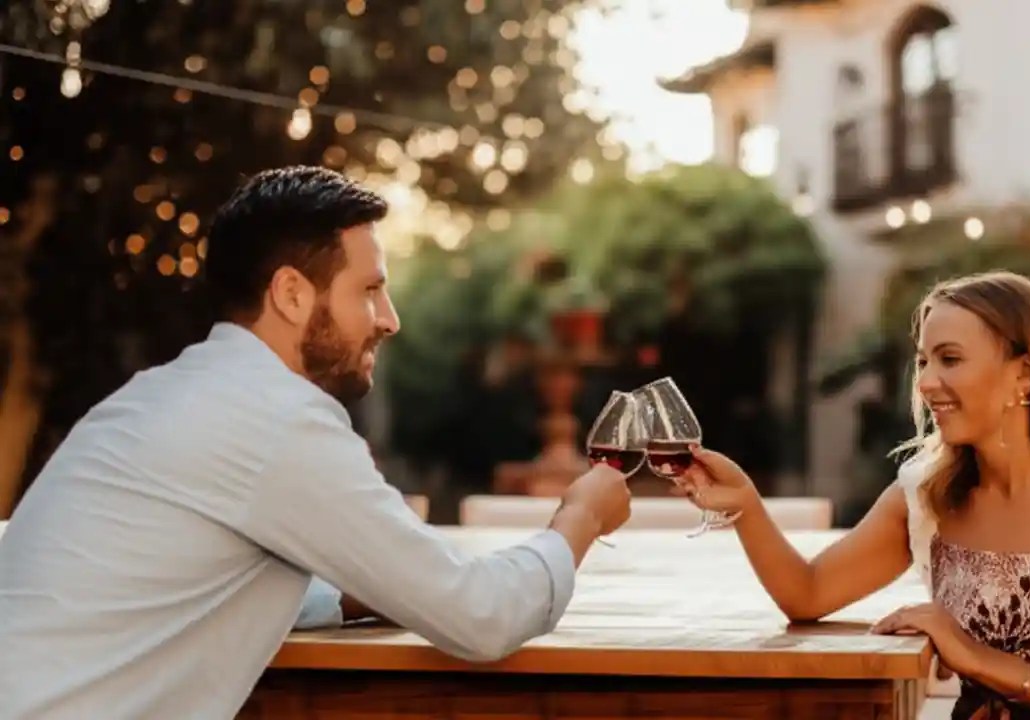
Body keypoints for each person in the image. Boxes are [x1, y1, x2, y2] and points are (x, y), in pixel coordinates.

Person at [0, 166, 631, 719]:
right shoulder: (278, 420)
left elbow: (175, 583)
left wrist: (363, 590)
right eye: (369, 289)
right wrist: (581, 516)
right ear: (292, 294)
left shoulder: (161, 394)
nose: (390, 319)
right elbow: (484, 616)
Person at [681, 271, 1030, 720]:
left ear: (1025, 374)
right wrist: (744, 503)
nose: (926, 382)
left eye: (950, 359)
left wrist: (976, 657)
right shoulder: (928, 496)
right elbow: (807, 593)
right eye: (923, 361)